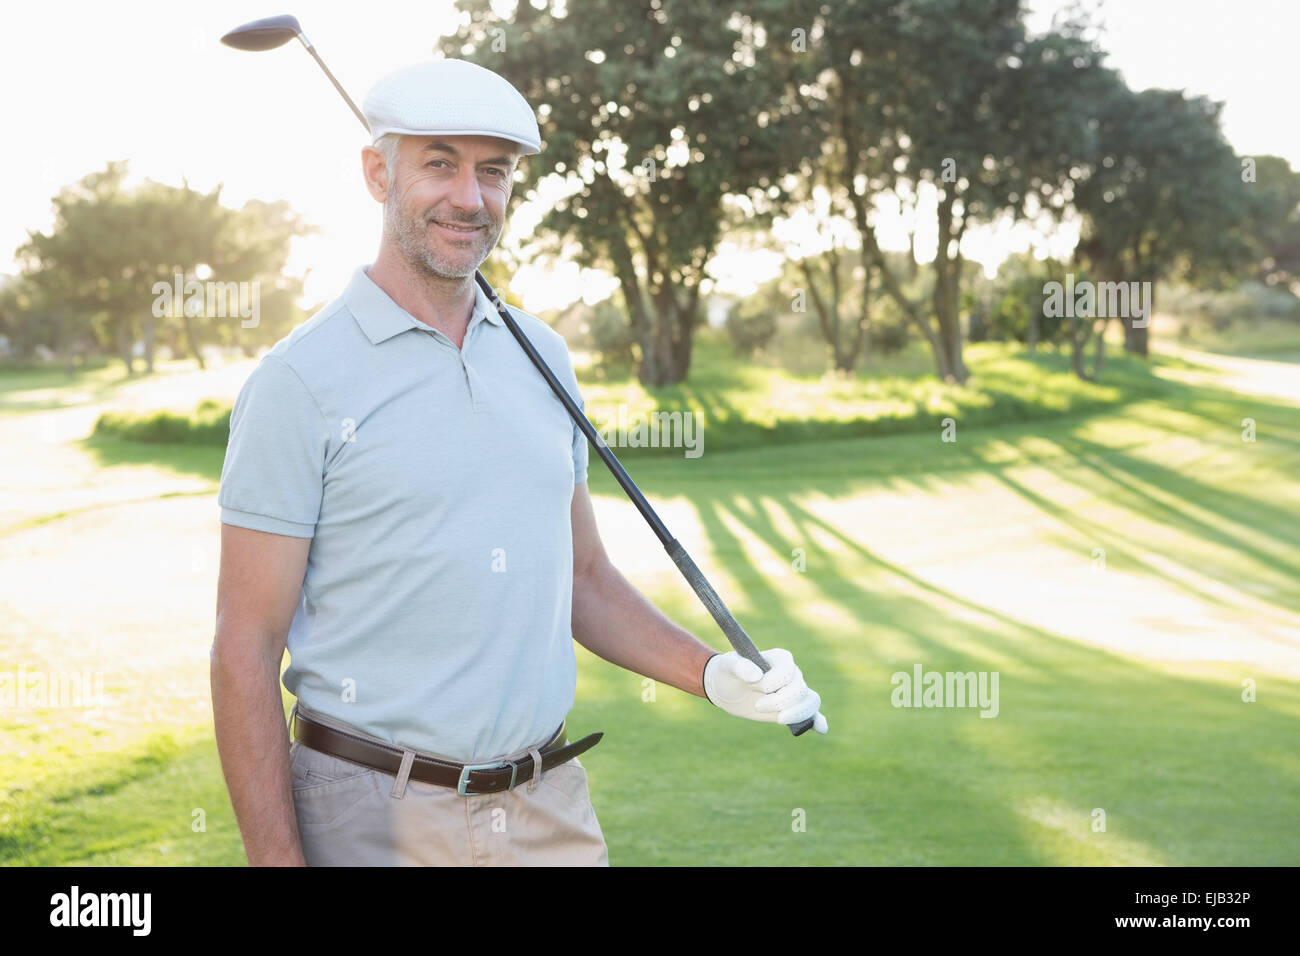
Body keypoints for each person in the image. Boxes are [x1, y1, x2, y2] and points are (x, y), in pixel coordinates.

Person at [210, 58, 828, 868]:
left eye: (493, 172)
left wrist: (713, 675)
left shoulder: (543, 357)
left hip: (549, 808)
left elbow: (585, 579)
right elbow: (245, 645)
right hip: (372, 814)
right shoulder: (298, 381)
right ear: (376, 173)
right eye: (439, 164)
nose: (470, 198)